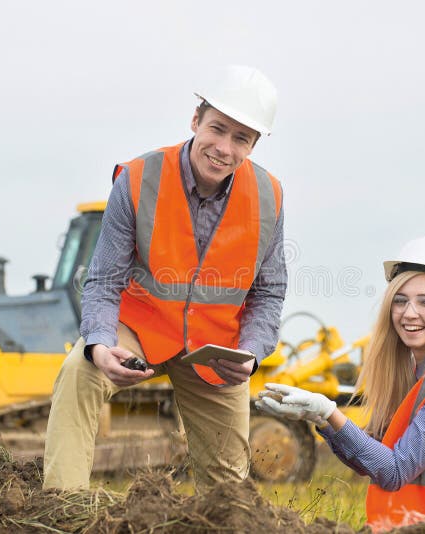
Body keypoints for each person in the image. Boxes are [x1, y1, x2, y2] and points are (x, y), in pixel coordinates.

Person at [43, 65, 287, 492]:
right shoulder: (139, 178)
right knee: (79, 372)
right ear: (195, 120)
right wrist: (99, 343)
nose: (224, 148)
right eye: (217, 129)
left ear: (254, 145)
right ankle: (62, 507)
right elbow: (104, 279)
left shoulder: (269, 196)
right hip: (141, 328)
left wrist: (251, 352)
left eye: (241, 138)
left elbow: (269, 292)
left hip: (216, 350)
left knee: (229, 493)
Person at [256, 234, 425, 528]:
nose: (408, 313)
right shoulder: (422, 375)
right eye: (400, 301)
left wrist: (329, 412)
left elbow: (394, 471)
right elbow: (371, 458)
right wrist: (322, 420)